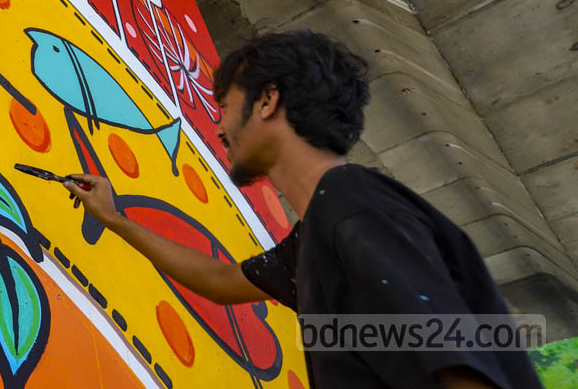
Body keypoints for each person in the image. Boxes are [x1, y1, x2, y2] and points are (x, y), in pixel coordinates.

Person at [65, 31, 541, 388]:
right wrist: (114, 218)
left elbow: (461, 367)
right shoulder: (318, 234)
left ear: (268, 100)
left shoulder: (354, 203)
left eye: (225, 107)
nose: (220, 128)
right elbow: (221, 281)